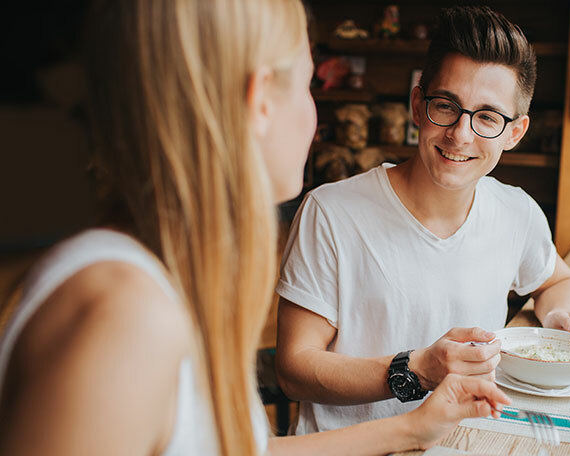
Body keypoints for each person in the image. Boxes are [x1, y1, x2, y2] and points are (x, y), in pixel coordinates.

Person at [0, 1, 510, 455]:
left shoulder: (167, 281)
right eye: (309, 86)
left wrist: (412, 429)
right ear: (261, 98)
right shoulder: (125, 316)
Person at [275, 5, 570, 435]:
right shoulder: (331, 212)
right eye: (447, 106)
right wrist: (415, 370)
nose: (460, 135)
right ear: (417, 106)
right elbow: (294, 369)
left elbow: (556, 280)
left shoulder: (516, 212)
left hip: (470, 443)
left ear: (515, 133)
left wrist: (558, 317)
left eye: (487, 116)